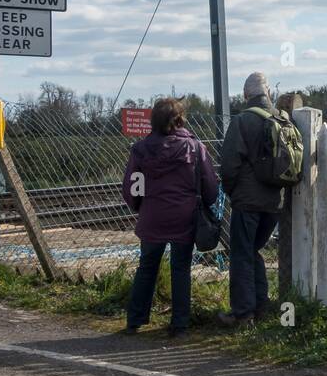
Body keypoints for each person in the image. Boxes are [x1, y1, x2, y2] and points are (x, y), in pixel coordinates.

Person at [122, 97, 218, 336]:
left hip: (152, 215)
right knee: (181, 269)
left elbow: (132, 187)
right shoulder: (195, 148)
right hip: (184, 217)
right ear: (180, 119)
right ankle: (179, 325)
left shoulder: (140, 150)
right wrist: (205, 202)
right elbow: (211, 187)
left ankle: (135, 320)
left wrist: (141, 207)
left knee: (147, 266)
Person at [218, 71, 288, 327]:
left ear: (246, 95)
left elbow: (228, 165)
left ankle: (242, 314)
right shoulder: (282, 118)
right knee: (253, 250)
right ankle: (261, 306)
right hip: (275, 201)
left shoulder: (242, 121)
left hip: (247, 202)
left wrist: (231, 190)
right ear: (267, 93)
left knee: (240, 253)